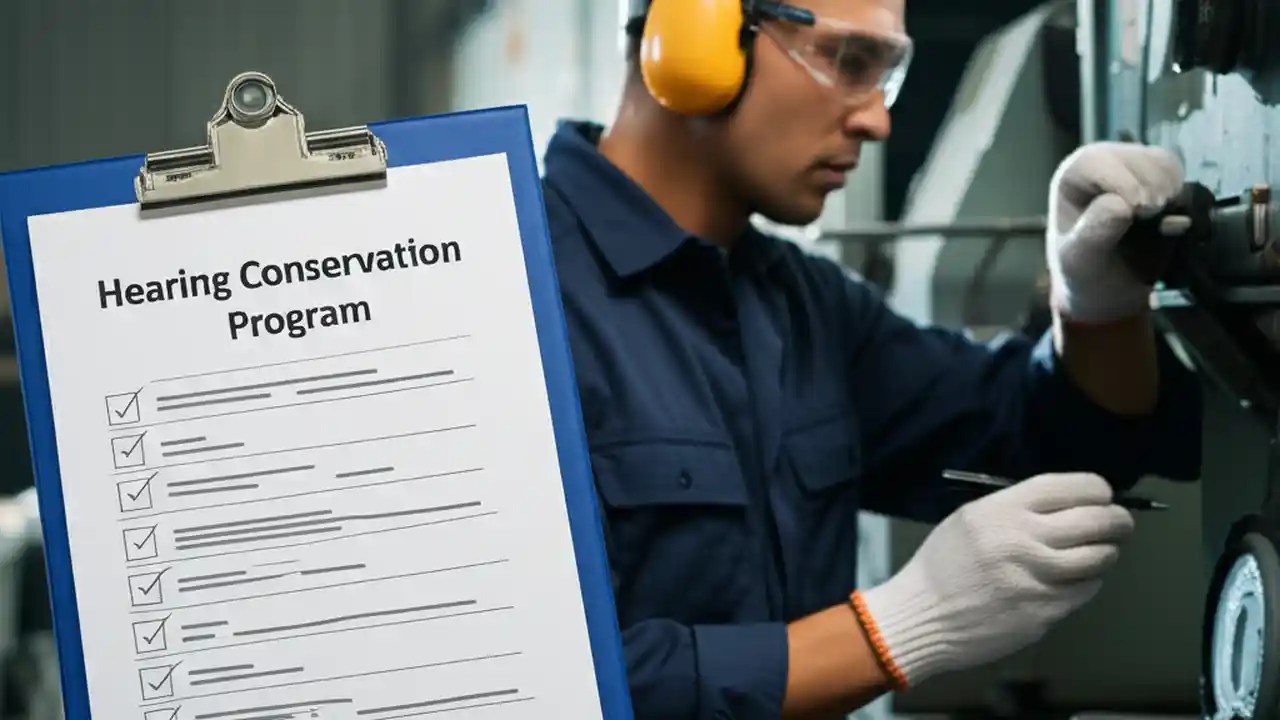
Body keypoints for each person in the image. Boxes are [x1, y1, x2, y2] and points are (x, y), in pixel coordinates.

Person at [539, 0, 1203, 717]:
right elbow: (539, 685)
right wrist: (893, 629)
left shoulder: (804, 306)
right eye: (848, 61)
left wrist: (1097, 304)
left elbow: (1057, 439)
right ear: (693, 34)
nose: (876, 122)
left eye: (885, 74)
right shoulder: (513, 290)